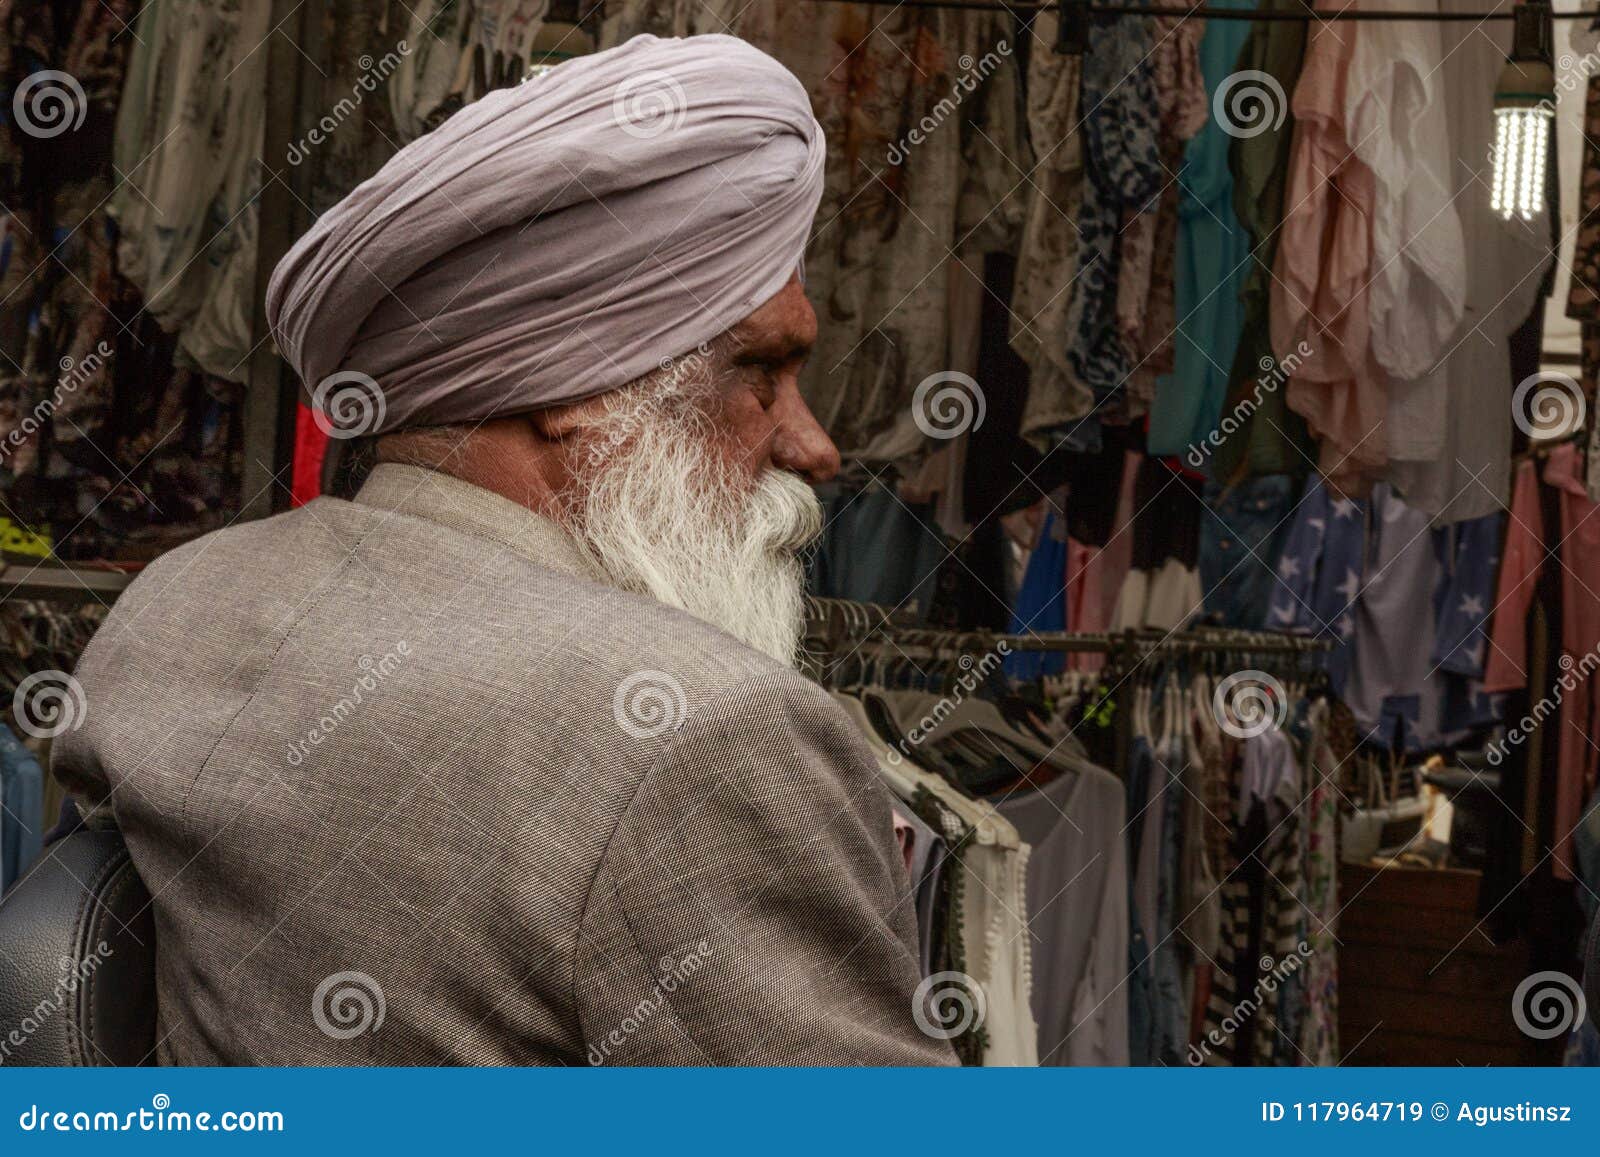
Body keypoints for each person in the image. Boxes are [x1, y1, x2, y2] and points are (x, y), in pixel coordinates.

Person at [52, 34, 955, 1066]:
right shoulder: (708, 734)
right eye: (761, 371)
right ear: (578, 387)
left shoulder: (180, 598)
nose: (813, 444)